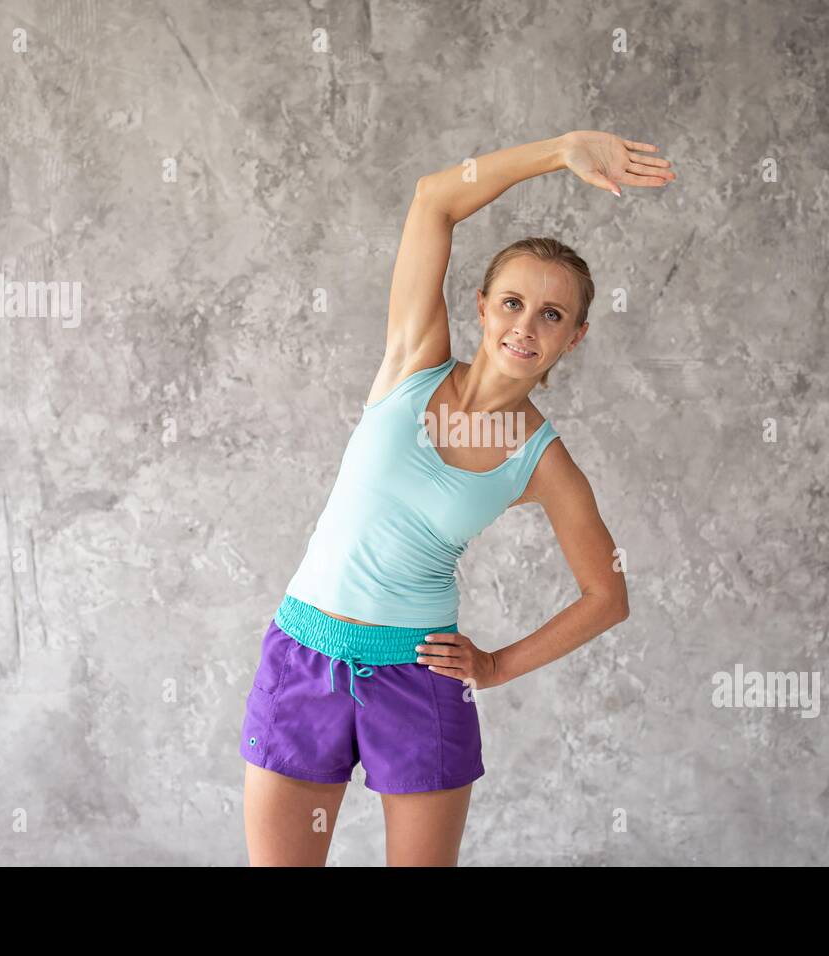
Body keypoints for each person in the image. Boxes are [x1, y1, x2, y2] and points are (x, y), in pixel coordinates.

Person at [241, 130, 675, 865]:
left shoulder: (544, 460)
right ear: (480, 306)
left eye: (552, 315)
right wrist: (563, 149)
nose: (526, 326)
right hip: (304, 657)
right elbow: (433, 201)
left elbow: (607, 594)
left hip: (419, 680)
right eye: (513, 302)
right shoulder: (414, 359)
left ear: (576, 337)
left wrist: (498, 666)